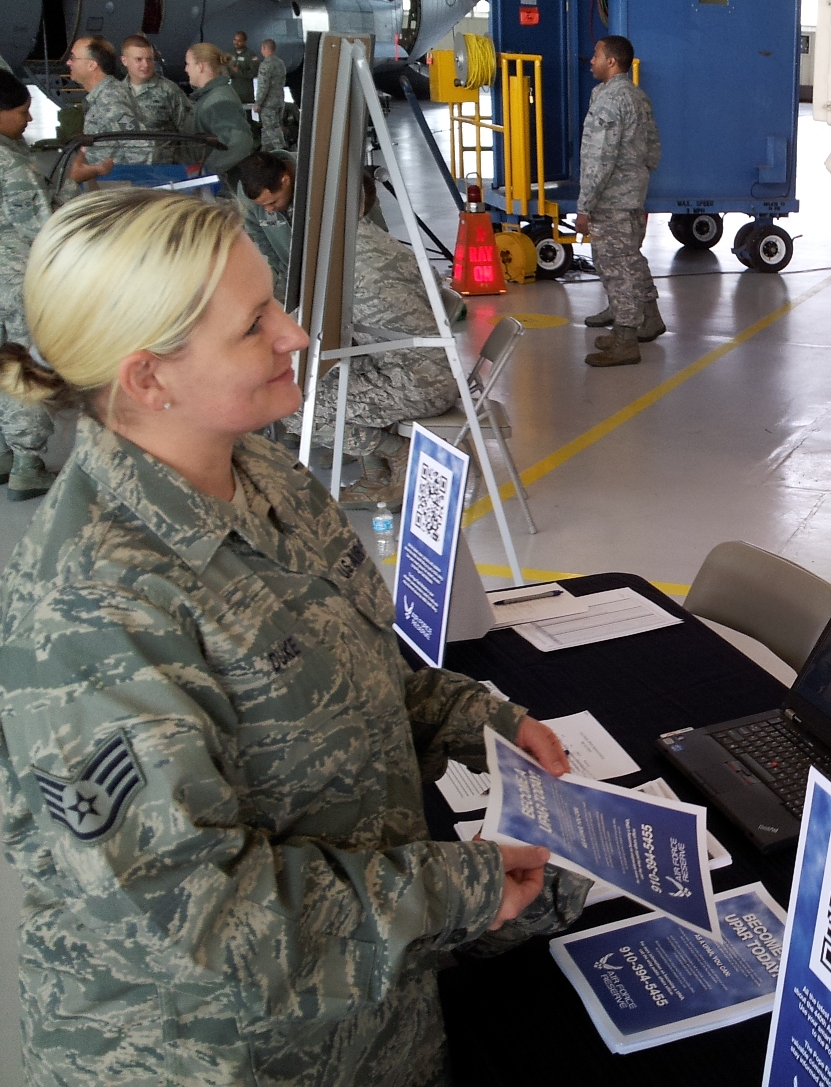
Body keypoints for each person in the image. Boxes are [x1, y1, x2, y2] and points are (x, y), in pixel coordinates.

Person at [0, 188, 586, 1085]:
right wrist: (461, 887)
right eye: (253, 326)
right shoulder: (91, 610)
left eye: (275, 302)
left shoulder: (263, 469)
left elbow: (352, 665)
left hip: (368, 1024)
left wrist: (482, 722)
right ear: (147, 377)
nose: (296, 336)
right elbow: (199, 921)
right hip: (228, 1058)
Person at [282, 175, 461, 509]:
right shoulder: (386, 243)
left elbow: (305, 327)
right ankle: (376, 477)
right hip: (435, 371)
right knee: (337, 372)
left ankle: (400, 455)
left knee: (293, 403)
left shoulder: (340, 260)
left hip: (415, 387)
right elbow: (437, 290)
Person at [0, 69, 109, 500]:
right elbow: (43, 226)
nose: (28, 119)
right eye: (21, 112)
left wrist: (67, 182)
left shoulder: (12, 152)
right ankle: (27, 461)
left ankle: (6, 452)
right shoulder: (9, 163)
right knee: (25, 362)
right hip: (16, 280)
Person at [575, 34, 663, 366]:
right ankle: (649, 318)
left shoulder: (611, 101)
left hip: (610, 199)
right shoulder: (637, 97)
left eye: (596, 55)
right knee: (630, 260)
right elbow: (654, 148)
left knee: (616, 267)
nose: (592, 60)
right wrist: (637, 177)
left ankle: (626, 339)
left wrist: (585, 206)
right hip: (629, 194)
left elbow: (601, 158)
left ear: (612, 61)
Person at [67, 35, 149, 166]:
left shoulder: (110, 99)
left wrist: (131, 182)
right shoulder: (103, 96)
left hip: (116, 182)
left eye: (73, 58)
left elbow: (141, 150)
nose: (68, 62)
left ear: (92, 64)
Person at [183, 41, 256, 179]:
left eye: (188, 64)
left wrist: (204, 172)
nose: (186, 69)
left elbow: (239, 143)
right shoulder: (209, 97)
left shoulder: (219, 101)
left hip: (218, 190)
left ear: (200, 67)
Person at [121, 33, 194, 165]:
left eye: (149, 59)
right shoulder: (117, 93)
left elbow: (189, 132)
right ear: (124, 61)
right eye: (139, 59)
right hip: (127, 169)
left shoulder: (169, 90)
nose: (146, 65)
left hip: (164, 170)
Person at [237, 149, 297, 301]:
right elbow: (259, 235)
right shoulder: (247, 193)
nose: (268, 210)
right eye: (261, 205)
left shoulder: (319, 175)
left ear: (286, 180)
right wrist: (281, 271)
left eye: (272, 202)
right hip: (291, 275)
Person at [256, 38, 288, 152]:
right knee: (267, 131)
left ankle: (283, 152)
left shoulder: (265, 65)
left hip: (268, 104)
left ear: (264, 48)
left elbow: (263, 87)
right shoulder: (280, 63)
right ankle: (265, 154)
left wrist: (258, 103)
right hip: (279, 101)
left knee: (272, 130)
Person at [228, 29, 258, 106]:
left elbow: (255, 73)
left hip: (246, 93)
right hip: (233, 92)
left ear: (244, 42)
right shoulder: (230, 52)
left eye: (239, 41)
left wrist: (240, 71)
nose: (236, 43)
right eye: (235, 40)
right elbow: (226, 68)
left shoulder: (250, 55)